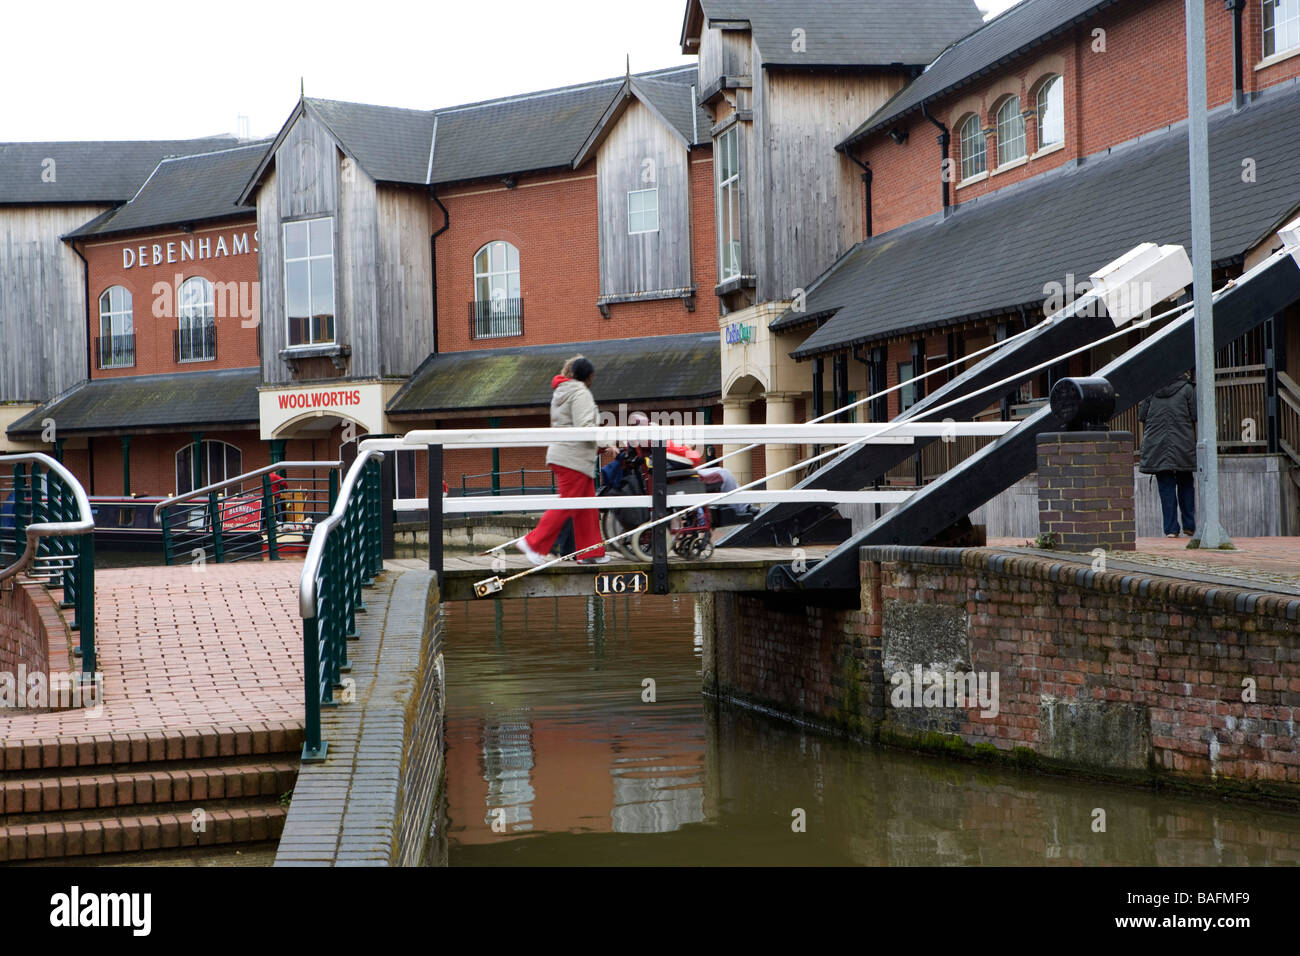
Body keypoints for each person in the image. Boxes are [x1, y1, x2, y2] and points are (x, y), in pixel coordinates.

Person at [518, 356, 610, 565]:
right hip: (573, 458)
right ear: (589, 376)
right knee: (568, 503)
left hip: (568, 455)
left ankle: (590, 553)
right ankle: (533, 543)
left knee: (586, 507)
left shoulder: (562, 392)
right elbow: (585, 427)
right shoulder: (580, 393)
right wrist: (609, 440)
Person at [1139, 372, 1197, 538]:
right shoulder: (1187, 389)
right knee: (1186, 483)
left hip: (1157, 446)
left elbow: (1141, 416)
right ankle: (1189, 525)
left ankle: (1171, 529)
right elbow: (1195, 415)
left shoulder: (1150, 391)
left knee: (1166, 487)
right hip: (1183, 444)